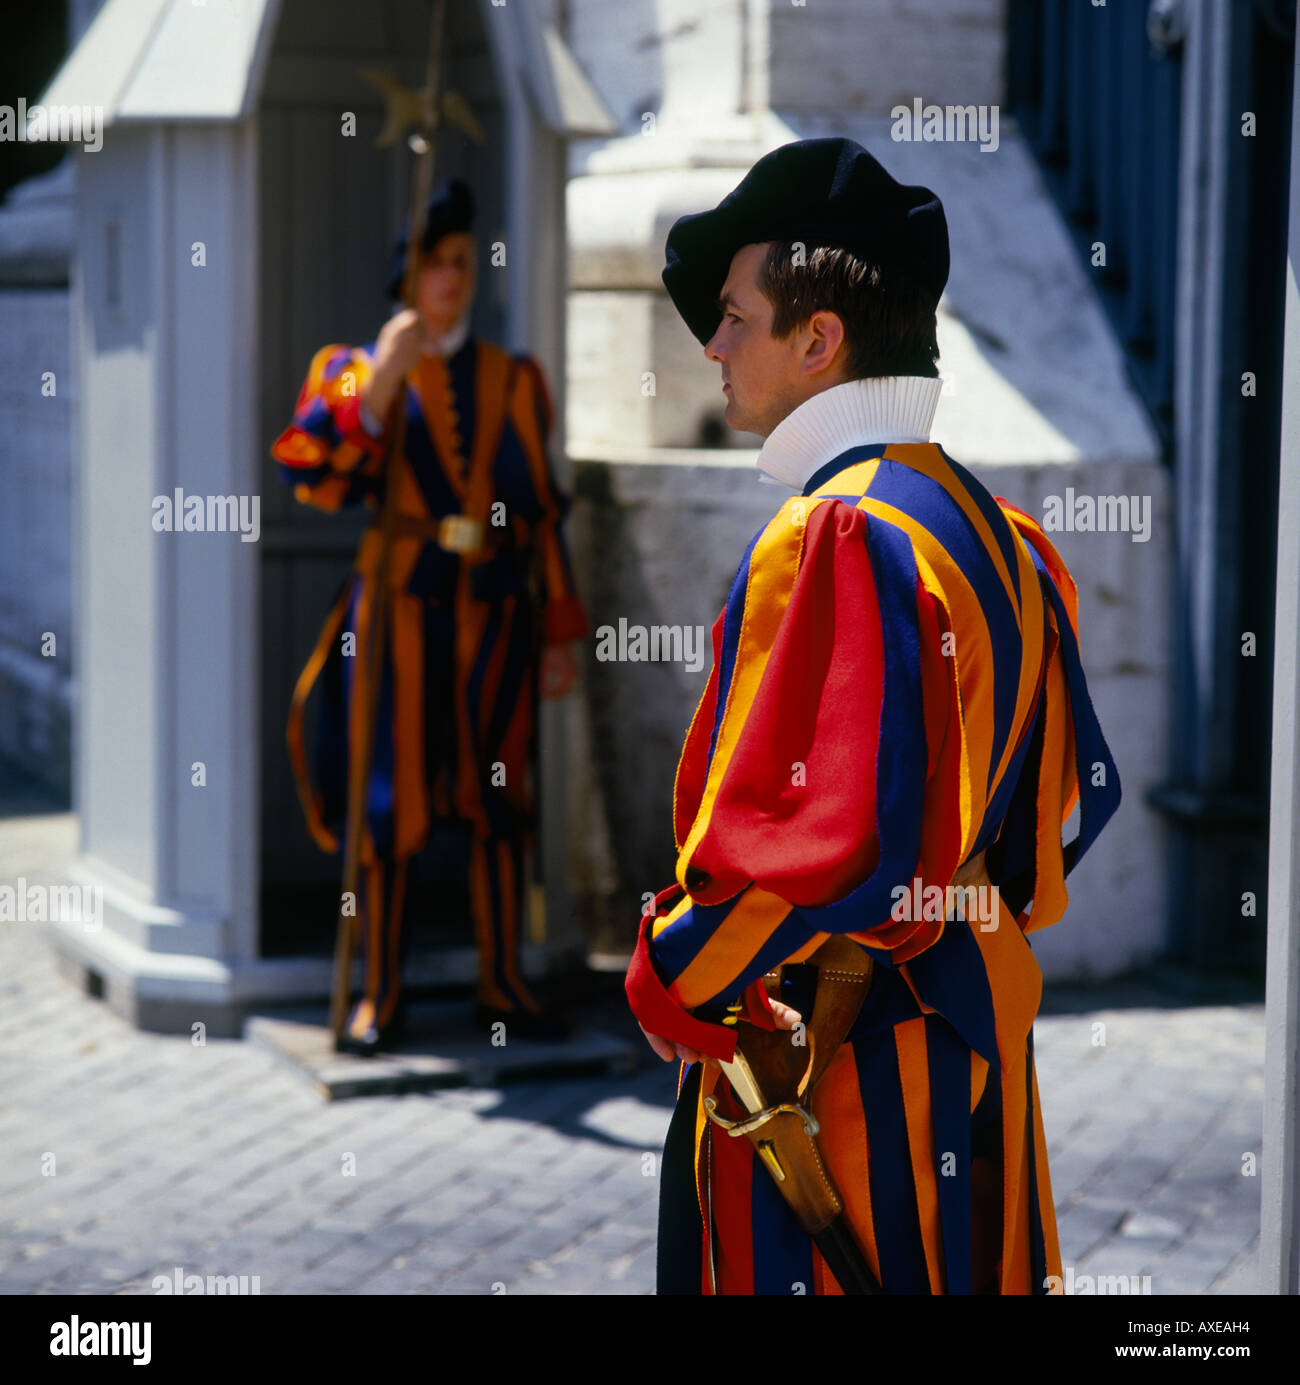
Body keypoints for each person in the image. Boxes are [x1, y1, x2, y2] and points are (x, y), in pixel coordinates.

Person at [625, 138, 1122, 1294]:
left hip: (836, 1066)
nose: (713, 344)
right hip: (972, 1043)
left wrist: (675, 976)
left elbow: (800, 852)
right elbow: (1060, 816)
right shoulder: (997, 531)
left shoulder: (839, 530)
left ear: (818, 339)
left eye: (738, 316)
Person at [272, 178, 587, 1053]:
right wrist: (379, 384)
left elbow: (539, 510)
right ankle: (382, 993)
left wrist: (560, 627)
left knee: (496, 799)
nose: (451, 278)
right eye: (432, 264)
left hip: (492, 616)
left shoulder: (512, 378)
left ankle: (503, 986)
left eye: (459, 262)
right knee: (389, 802)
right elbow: (316, 478)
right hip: (396, 619)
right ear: (404, 277)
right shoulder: (351, 368)